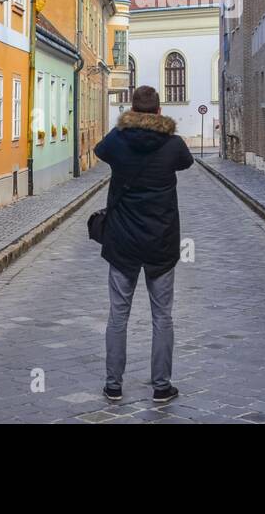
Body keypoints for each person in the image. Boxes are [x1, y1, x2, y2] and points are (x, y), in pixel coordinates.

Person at [93, 84, 194, 403]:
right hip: (160, 243)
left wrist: (123, 126)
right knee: (162, 315)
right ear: (160, 111)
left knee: (118, 314)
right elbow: (187, 162)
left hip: (122, 242)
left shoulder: (117, 141)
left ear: (132, 111)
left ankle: (113, 385)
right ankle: (161, 386)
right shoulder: (173, 144)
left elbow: (100, 150)